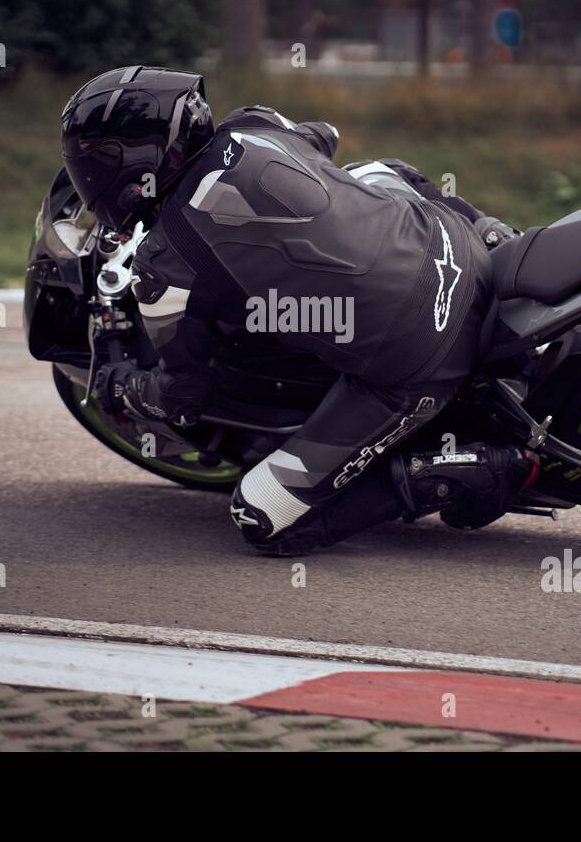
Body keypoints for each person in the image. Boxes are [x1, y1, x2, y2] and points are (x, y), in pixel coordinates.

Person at [62, 66, 536, 555]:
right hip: (454, 246)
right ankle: (497, 235)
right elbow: (324, 136)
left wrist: (122, 387)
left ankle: (472, 470)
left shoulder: (163, 268)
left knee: (262, 517)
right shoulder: (254, 123)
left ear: (132, 166)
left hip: (421, 352)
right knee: (376, 172)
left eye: (91, 166)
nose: (87, 179)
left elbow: (185, 397)